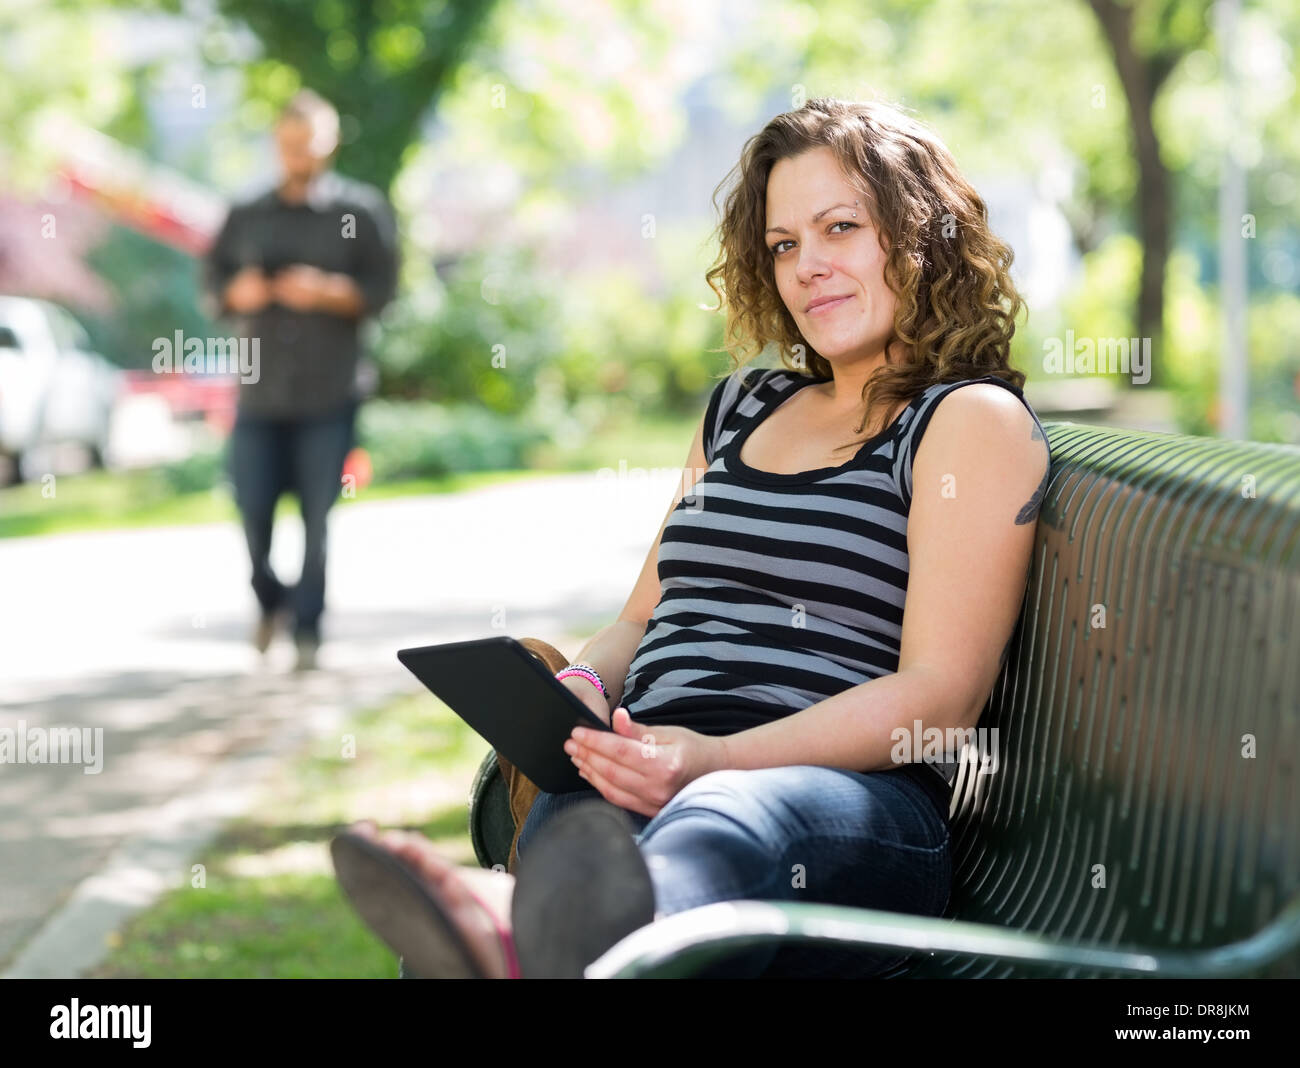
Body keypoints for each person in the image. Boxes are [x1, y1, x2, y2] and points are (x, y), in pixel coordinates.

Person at [331, 96, 1051, 978]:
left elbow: (940, 700)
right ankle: (535, 934)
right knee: (586, 814)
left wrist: (712, 761)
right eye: (785, 244)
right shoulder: (742, 407)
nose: (808, 266)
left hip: (839, 812)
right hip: (652, 765)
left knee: (721, 822)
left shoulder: (967, 422)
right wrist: (587, 686)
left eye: (840, 229)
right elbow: (644, 614)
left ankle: (524, 926)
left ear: (920, 234)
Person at [203, 89, 399, 671]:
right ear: (277, 145)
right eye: (287, 145)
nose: (297, 156)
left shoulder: (360, 213)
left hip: (329, 394)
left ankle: (308, 632)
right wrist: (236, 293)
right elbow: (213, 286)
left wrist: (327, 291)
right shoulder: (245, 213)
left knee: (318, 518)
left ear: (329, 143)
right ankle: (271, 598)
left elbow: (383, 292)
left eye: (307, 145)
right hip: (260, 394)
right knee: (252, 507)